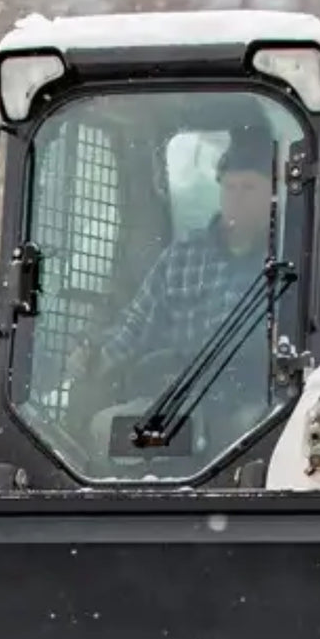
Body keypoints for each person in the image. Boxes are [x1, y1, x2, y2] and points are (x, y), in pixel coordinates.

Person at [69, 126, 283, 451]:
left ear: (272, 195)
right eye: (230, 187)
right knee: (106, 431)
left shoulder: (284, 259)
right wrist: (95, 358)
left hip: (249, 400)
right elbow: (136, 326)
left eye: (249, 188)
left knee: (250, 436)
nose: (236, 198)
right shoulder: (183, 256)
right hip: (178, 395)